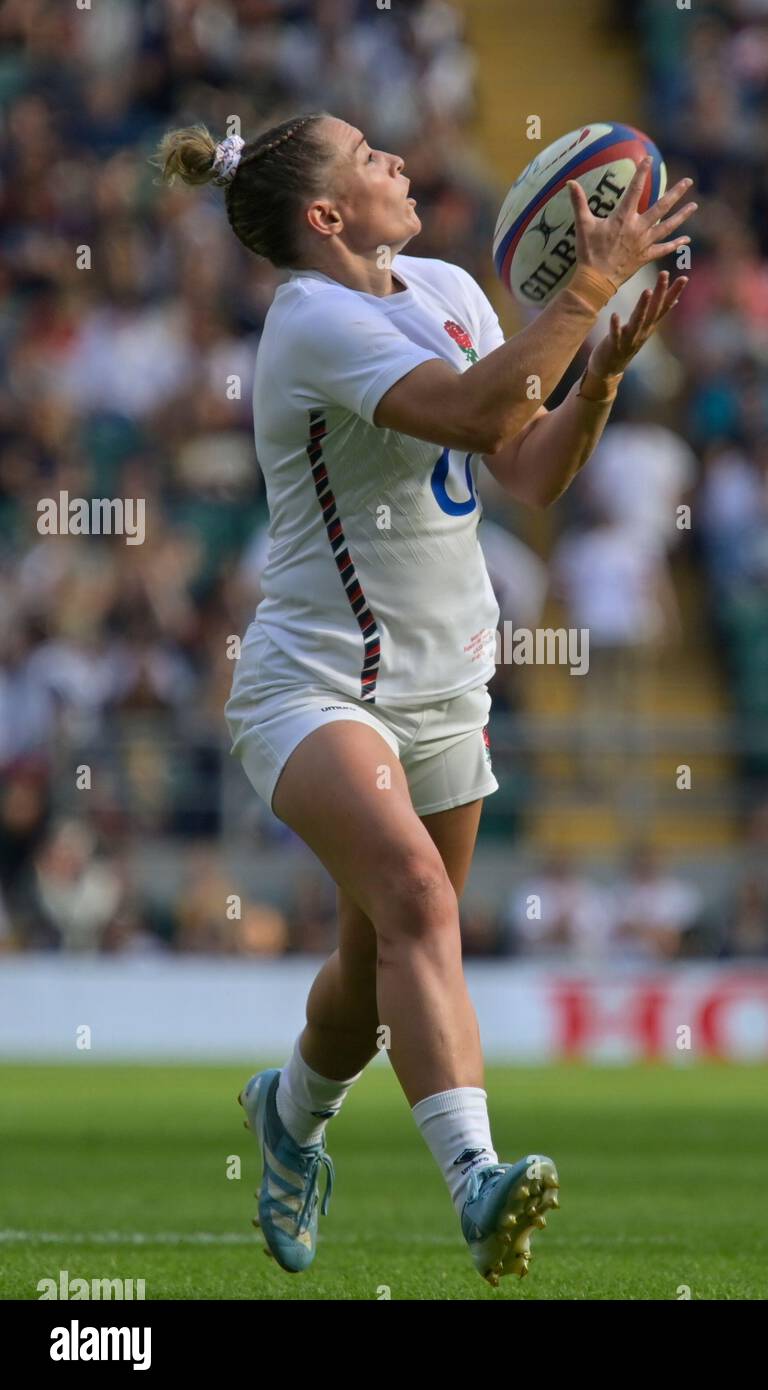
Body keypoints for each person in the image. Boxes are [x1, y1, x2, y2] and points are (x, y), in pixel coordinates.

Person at [151, 112, 695, 1285]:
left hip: (446, 684)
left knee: (373, 973)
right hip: (313, 682)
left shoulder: (449, 283)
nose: (397, 161)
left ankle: (289, 1114)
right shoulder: (309, 322)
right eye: (367, 157)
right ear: (326, 217)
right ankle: (476, 1177)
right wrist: (588, 282)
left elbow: (526, 465)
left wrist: (594, 374)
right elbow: (463, 412)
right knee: (412, 895)